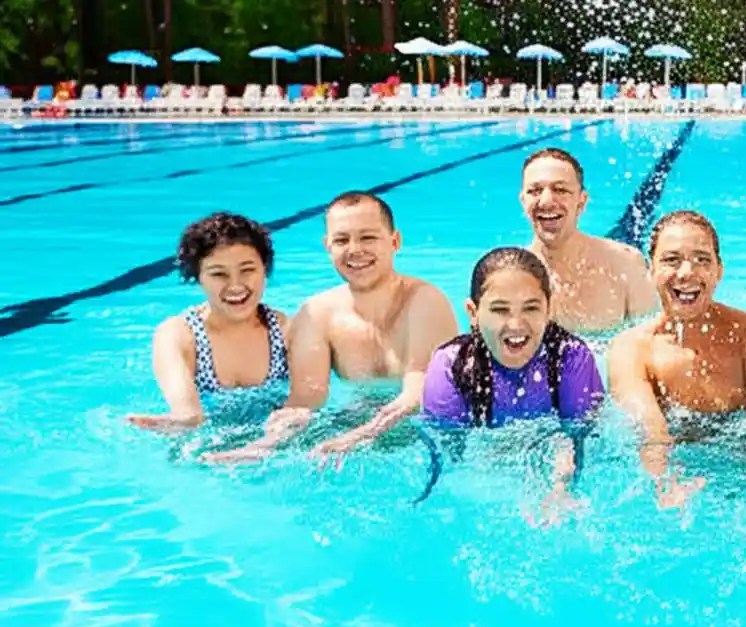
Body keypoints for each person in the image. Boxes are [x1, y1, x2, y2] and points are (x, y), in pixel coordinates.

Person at [606, 210, 746, 573]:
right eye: (671, 260)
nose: (687, 273)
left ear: (719, 271)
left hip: (739, 456)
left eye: (702, 260)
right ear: (650, 271)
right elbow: (651, 434)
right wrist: (664, 483)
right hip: (681, 457)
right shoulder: (630, 349)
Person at [203, 191, 458, 463]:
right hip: (361, 422)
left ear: (395, 241)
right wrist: (264, 445)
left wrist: (358, 437)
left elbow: (417, 395)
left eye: (368, 237)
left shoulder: (426, 302)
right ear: (328, 247)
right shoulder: (317, 314)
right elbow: (305, 401)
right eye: (342, 240)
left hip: (431, 433)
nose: (355, 250)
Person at [416, 247, 605, 525]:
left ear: (548, 309)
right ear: (473, 312)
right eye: (500, 310)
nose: (516, 325)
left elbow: (580, 439)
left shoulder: (570, 357)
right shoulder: (452, 366)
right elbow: (447, 458)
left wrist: (559, 490)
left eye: (530, 308)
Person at [127, 212, 288, 431]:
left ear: (264, 269)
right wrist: (180, 423)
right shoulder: (178, 336)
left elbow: (303, 405)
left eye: (247, 270)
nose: (236, 286)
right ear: (198, 277)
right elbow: (189, 415)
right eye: (218, 274)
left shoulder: (285, 330)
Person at [520, 148, 659, 333]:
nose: (546, 201)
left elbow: (651, 348)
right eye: (535, 191)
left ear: (582, 201)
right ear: (523, 201)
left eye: (560, 189)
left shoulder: (626, 265)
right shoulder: (509, 276)